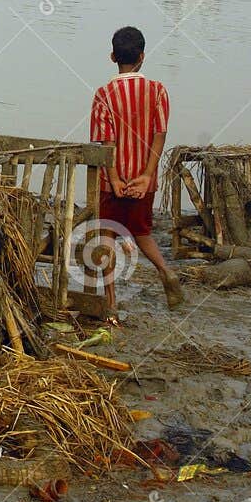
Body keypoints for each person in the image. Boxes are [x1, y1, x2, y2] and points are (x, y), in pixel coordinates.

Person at [89, 26, 185, 313]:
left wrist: (115, 179)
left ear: (113, 56)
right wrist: (146, 175)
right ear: (142, 56)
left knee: (107, 235)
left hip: (112, 181)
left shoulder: (104, 94)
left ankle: (111, 302)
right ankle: (166, 272)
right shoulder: (157, 91)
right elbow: (160, 134)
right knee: (142, 232)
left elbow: (107, 142)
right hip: (144, 179)